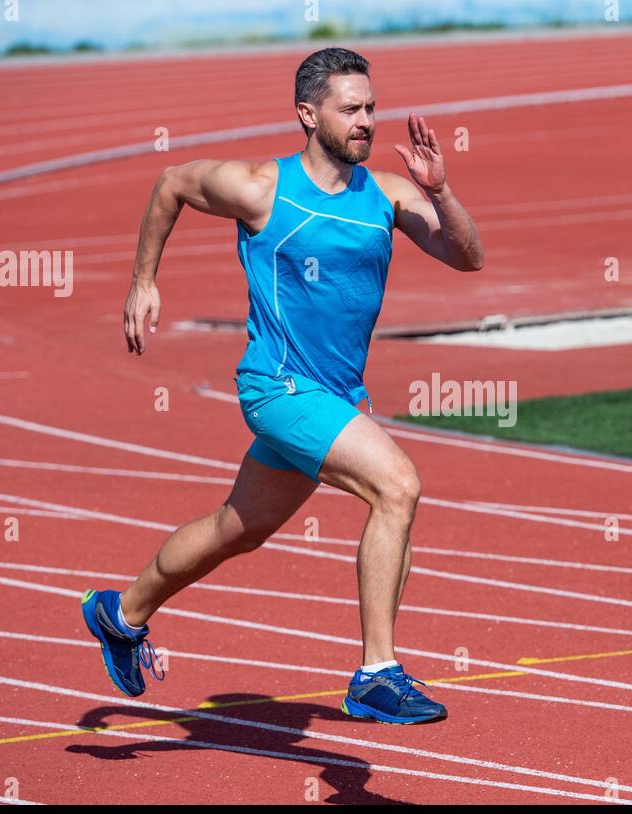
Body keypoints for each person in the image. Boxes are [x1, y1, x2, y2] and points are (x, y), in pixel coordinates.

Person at [81, 46, 483, 724]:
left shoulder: (387, 194)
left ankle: (121, 613)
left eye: (371, 108)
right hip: (279, 388)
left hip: (334, 398)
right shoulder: (262, 188)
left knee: (236, 528)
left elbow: (465, 257)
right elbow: (173, 181)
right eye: (350, 109)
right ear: (308, 113)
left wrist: (441, 190)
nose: (366, 121)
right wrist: (143, 280)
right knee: (397, 485)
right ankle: (376, 672)